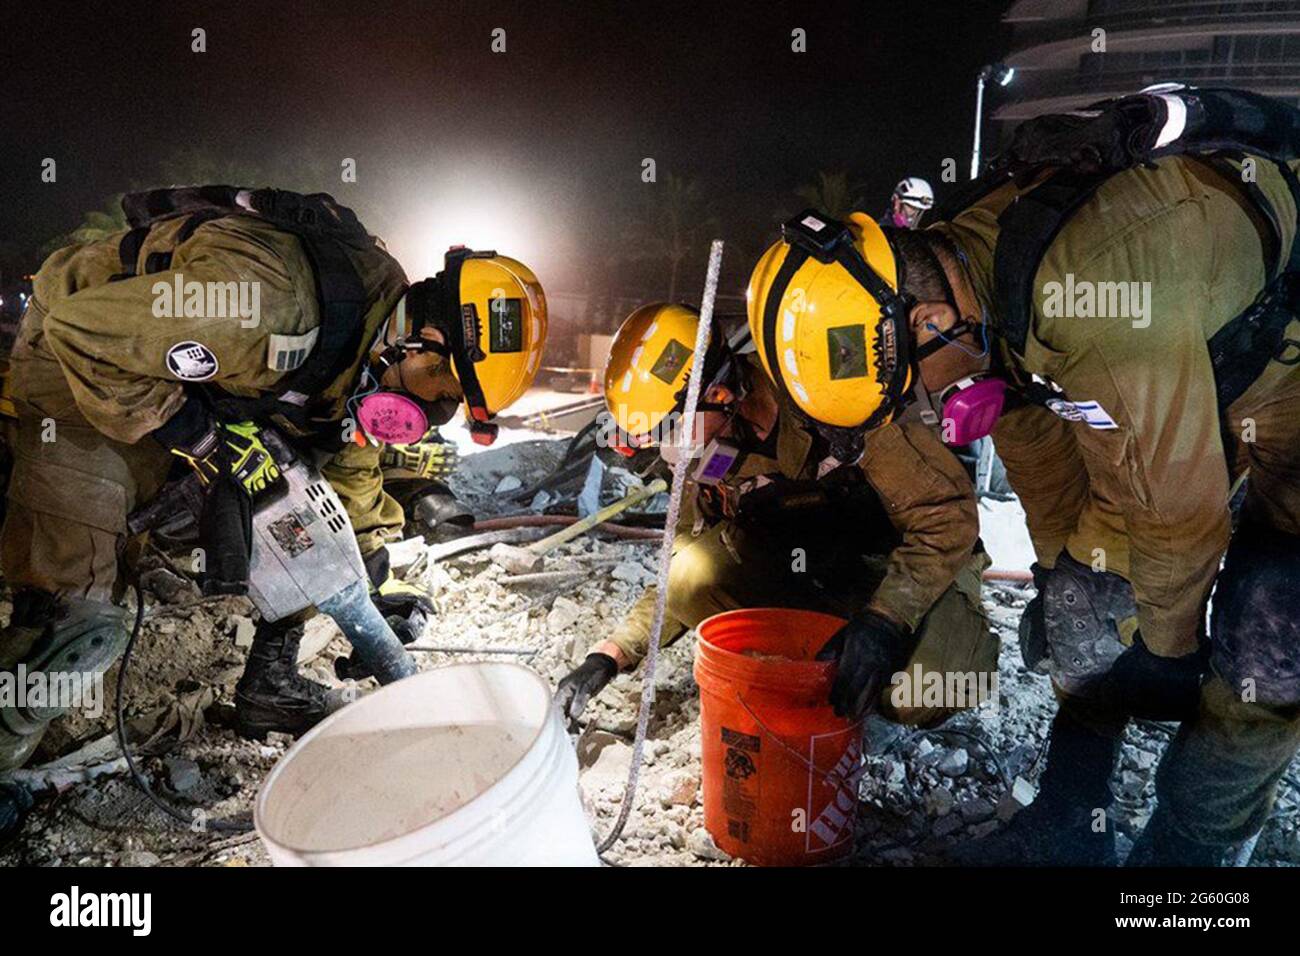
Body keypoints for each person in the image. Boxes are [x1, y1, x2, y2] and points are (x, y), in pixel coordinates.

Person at [745, 86, 1300, 865]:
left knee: (1269, 633)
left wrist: (1169, 656)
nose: (928, 409)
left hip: (1283, 384)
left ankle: (1191, 863)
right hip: (1184, 369)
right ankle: (1071, 822)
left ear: (926, 322)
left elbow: (1178, 514)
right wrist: (1059, 582)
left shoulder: (1089, 303)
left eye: (917, 393)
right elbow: (1053, 479)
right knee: (1083, 601)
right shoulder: (976, 296)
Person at [0, 186, 547, 779]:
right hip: (81, 363)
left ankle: (270, 685)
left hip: (184, 383)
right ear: (423, 339)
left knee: (297, 521)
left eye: (449, 407)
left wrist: (369, 568)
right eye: (440, 392)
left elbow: (345, 446)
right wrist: (200, 439)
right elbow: (83, 335)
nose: (429, 414)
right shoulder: (262, 306)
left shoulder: (373, 331)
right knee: (74, 634)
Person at [555, 302, 996, 727]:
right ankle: (825, 652)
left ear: (718, 392)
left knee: (926, 688)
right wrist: (611, 654)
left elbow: (945, 516)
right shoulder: (705, 451)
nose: (664, 445)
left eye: (667, 427)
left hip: (911, 559)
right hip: (818, 569)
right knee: (691, 574)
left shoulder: (832, 393)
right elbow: (682, 565)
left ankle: (904, 652)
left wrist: (885, 619)